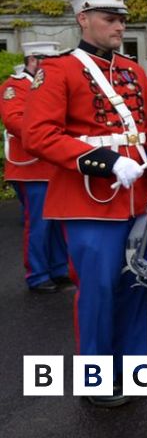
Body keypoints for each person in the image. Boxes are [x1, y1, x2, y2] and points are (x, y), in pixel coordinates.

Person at [22, 0, 147, 407]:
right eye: (110, 18)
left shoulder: (133, 71)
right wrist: (103, 160)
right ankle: (95, 380)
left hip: (136, 197)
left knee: (135, 285)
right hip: (89, 199)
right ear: (83, 18)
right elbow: (38, 135)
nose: (119, 25)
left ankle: (133, 372)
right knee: (97, 290)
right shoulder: (58, 71)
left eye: (122, 19)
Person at [0, 41, 71, 293]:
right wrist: (49, 137)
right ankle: (38, 274)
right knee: (39, 222)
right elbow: (14, 121)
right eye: (48, 61)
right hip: (31, 167)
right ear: (33, 60)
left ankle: (60, 268)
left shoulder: (55, 83)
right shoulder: (15, 86)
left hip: (56, 164)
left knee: (58, 220)